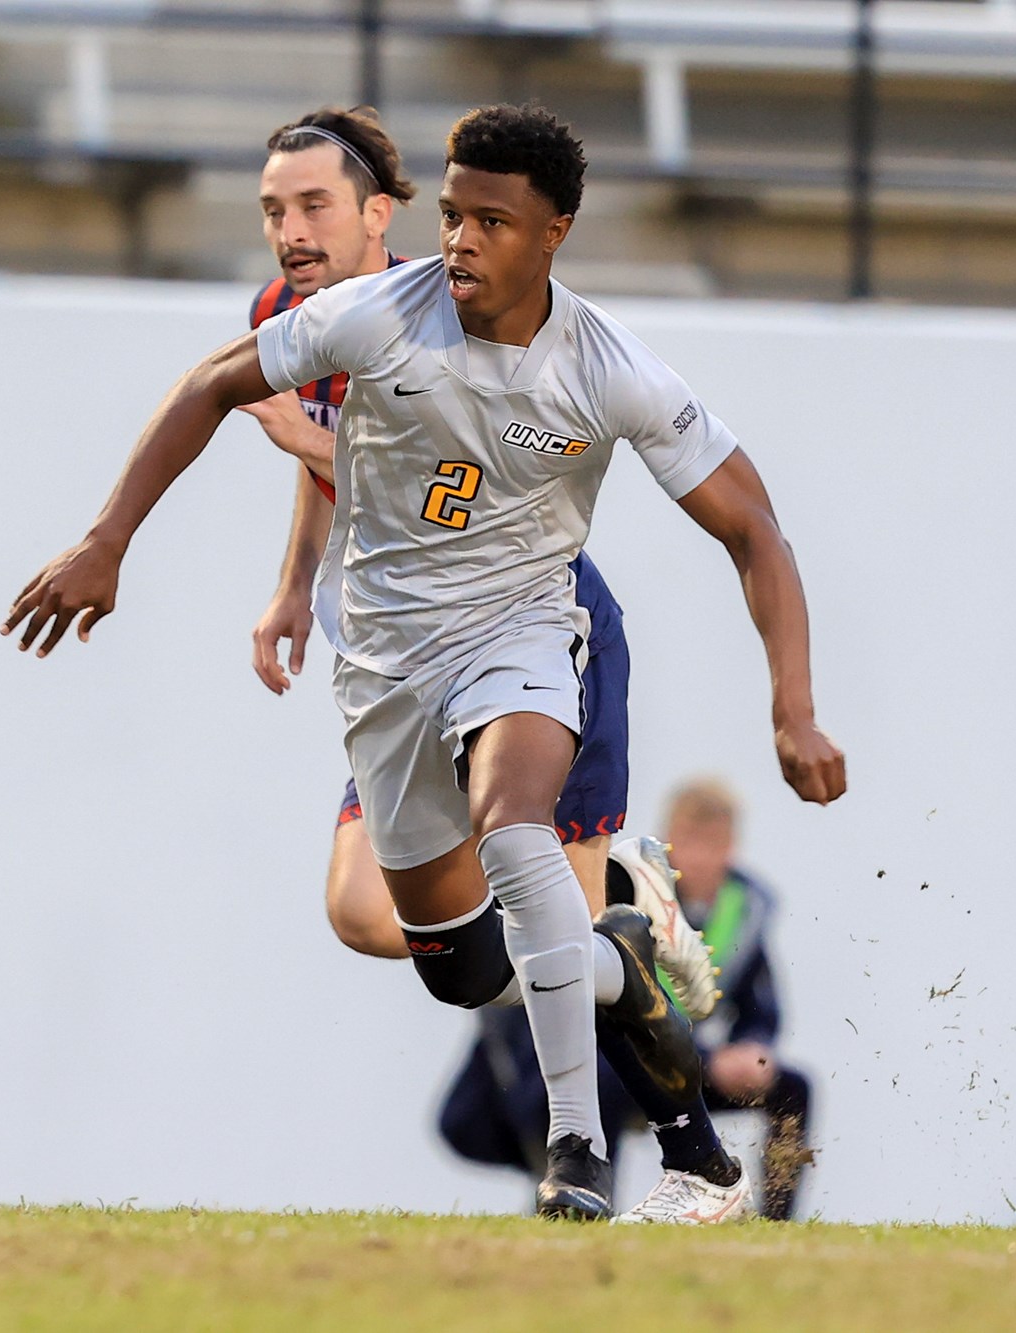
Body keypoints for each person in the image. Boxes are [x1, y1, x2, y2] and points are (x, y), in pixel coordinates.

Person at [5, 103, 846, 1222]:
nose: (459, 241)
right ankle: (623, 959)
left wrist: (792, 705)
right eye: (451, 216)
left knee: (515, 829)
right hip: (387, 663)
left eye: (488, 221)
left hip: (529, 631)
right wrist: (111, 540)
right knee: (442, 955)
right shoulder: (369, 318)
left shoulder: (608, 369)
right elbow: (212, 386)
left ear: (553, 231)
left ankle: (580, 1150)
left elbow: (752, 528)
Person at [238, 108, 722, 1201]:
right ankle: (620, 946)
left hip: (528, 629)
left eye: (314, 205)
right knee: (375, 919)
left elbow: (435, 469)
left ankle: (672, 1159)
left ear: (377, 216)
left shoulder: (448, 308)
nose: (291, 231)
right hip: (401, 642)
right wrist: (290, 585)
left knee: (539, 894)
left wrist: (314, 442)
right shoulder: (289, 314)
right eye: (273, 209)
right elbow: (349, 475)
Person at [662, 777, 816, 1221]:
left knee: (793, 1089)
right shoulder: (640, 902)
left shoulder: (744, 911)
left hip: (698, 1066)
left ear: (732, 847)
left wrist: (752, 1049)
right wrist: (707, 1058)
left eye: (716, 843)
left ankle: (777, 1221)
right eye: (691, 840)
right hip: (630, 1065)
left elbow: (760, 1006)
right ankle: (595, 1209)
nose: (702, 856)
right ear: (668, 842)